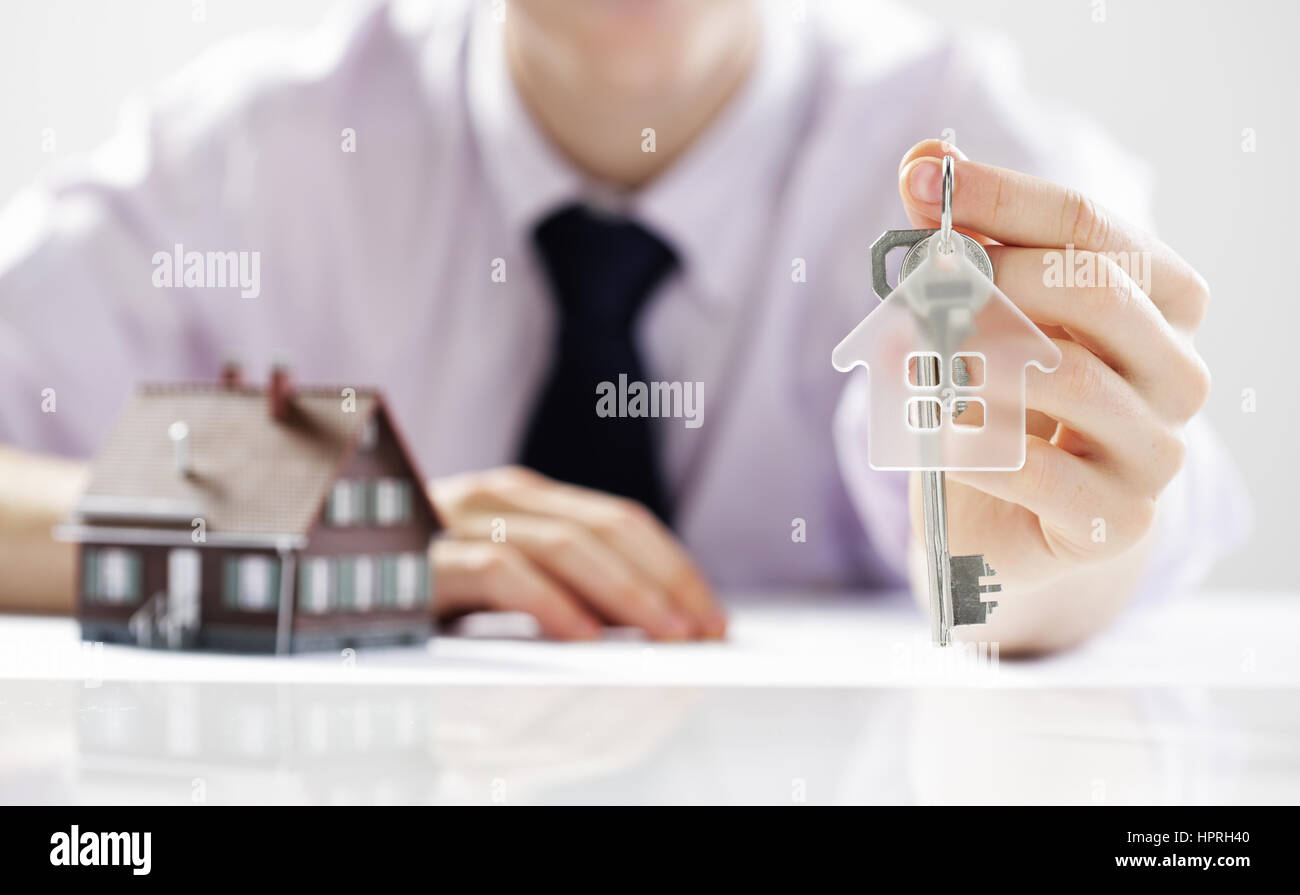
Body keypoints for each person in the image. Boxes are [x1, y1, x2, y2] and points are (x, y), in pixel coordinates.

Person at [0, 0, 1246, 652]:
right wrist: (310, 518)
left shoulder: (957, 140)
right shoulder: (256, 154)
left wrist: (1030, 552)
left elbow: (1100, 517)